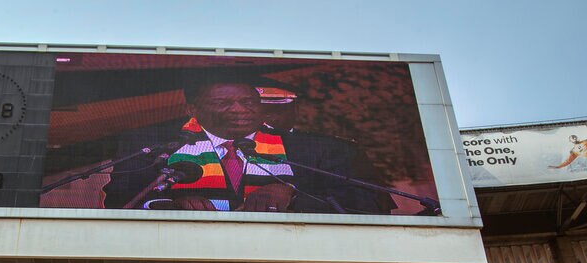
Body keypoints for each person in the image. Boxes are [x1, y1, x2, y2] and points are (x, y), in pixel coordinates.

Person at [101, 75, 396, 215]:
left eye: (248, 102)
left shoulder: (320, 150)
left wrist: (293, 197)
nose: (240, 110)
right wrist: (171, 205)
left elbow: (376, 201)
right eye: (224, 103)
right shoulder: (151, 146)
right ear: (193, 108)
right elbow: (120, 202)